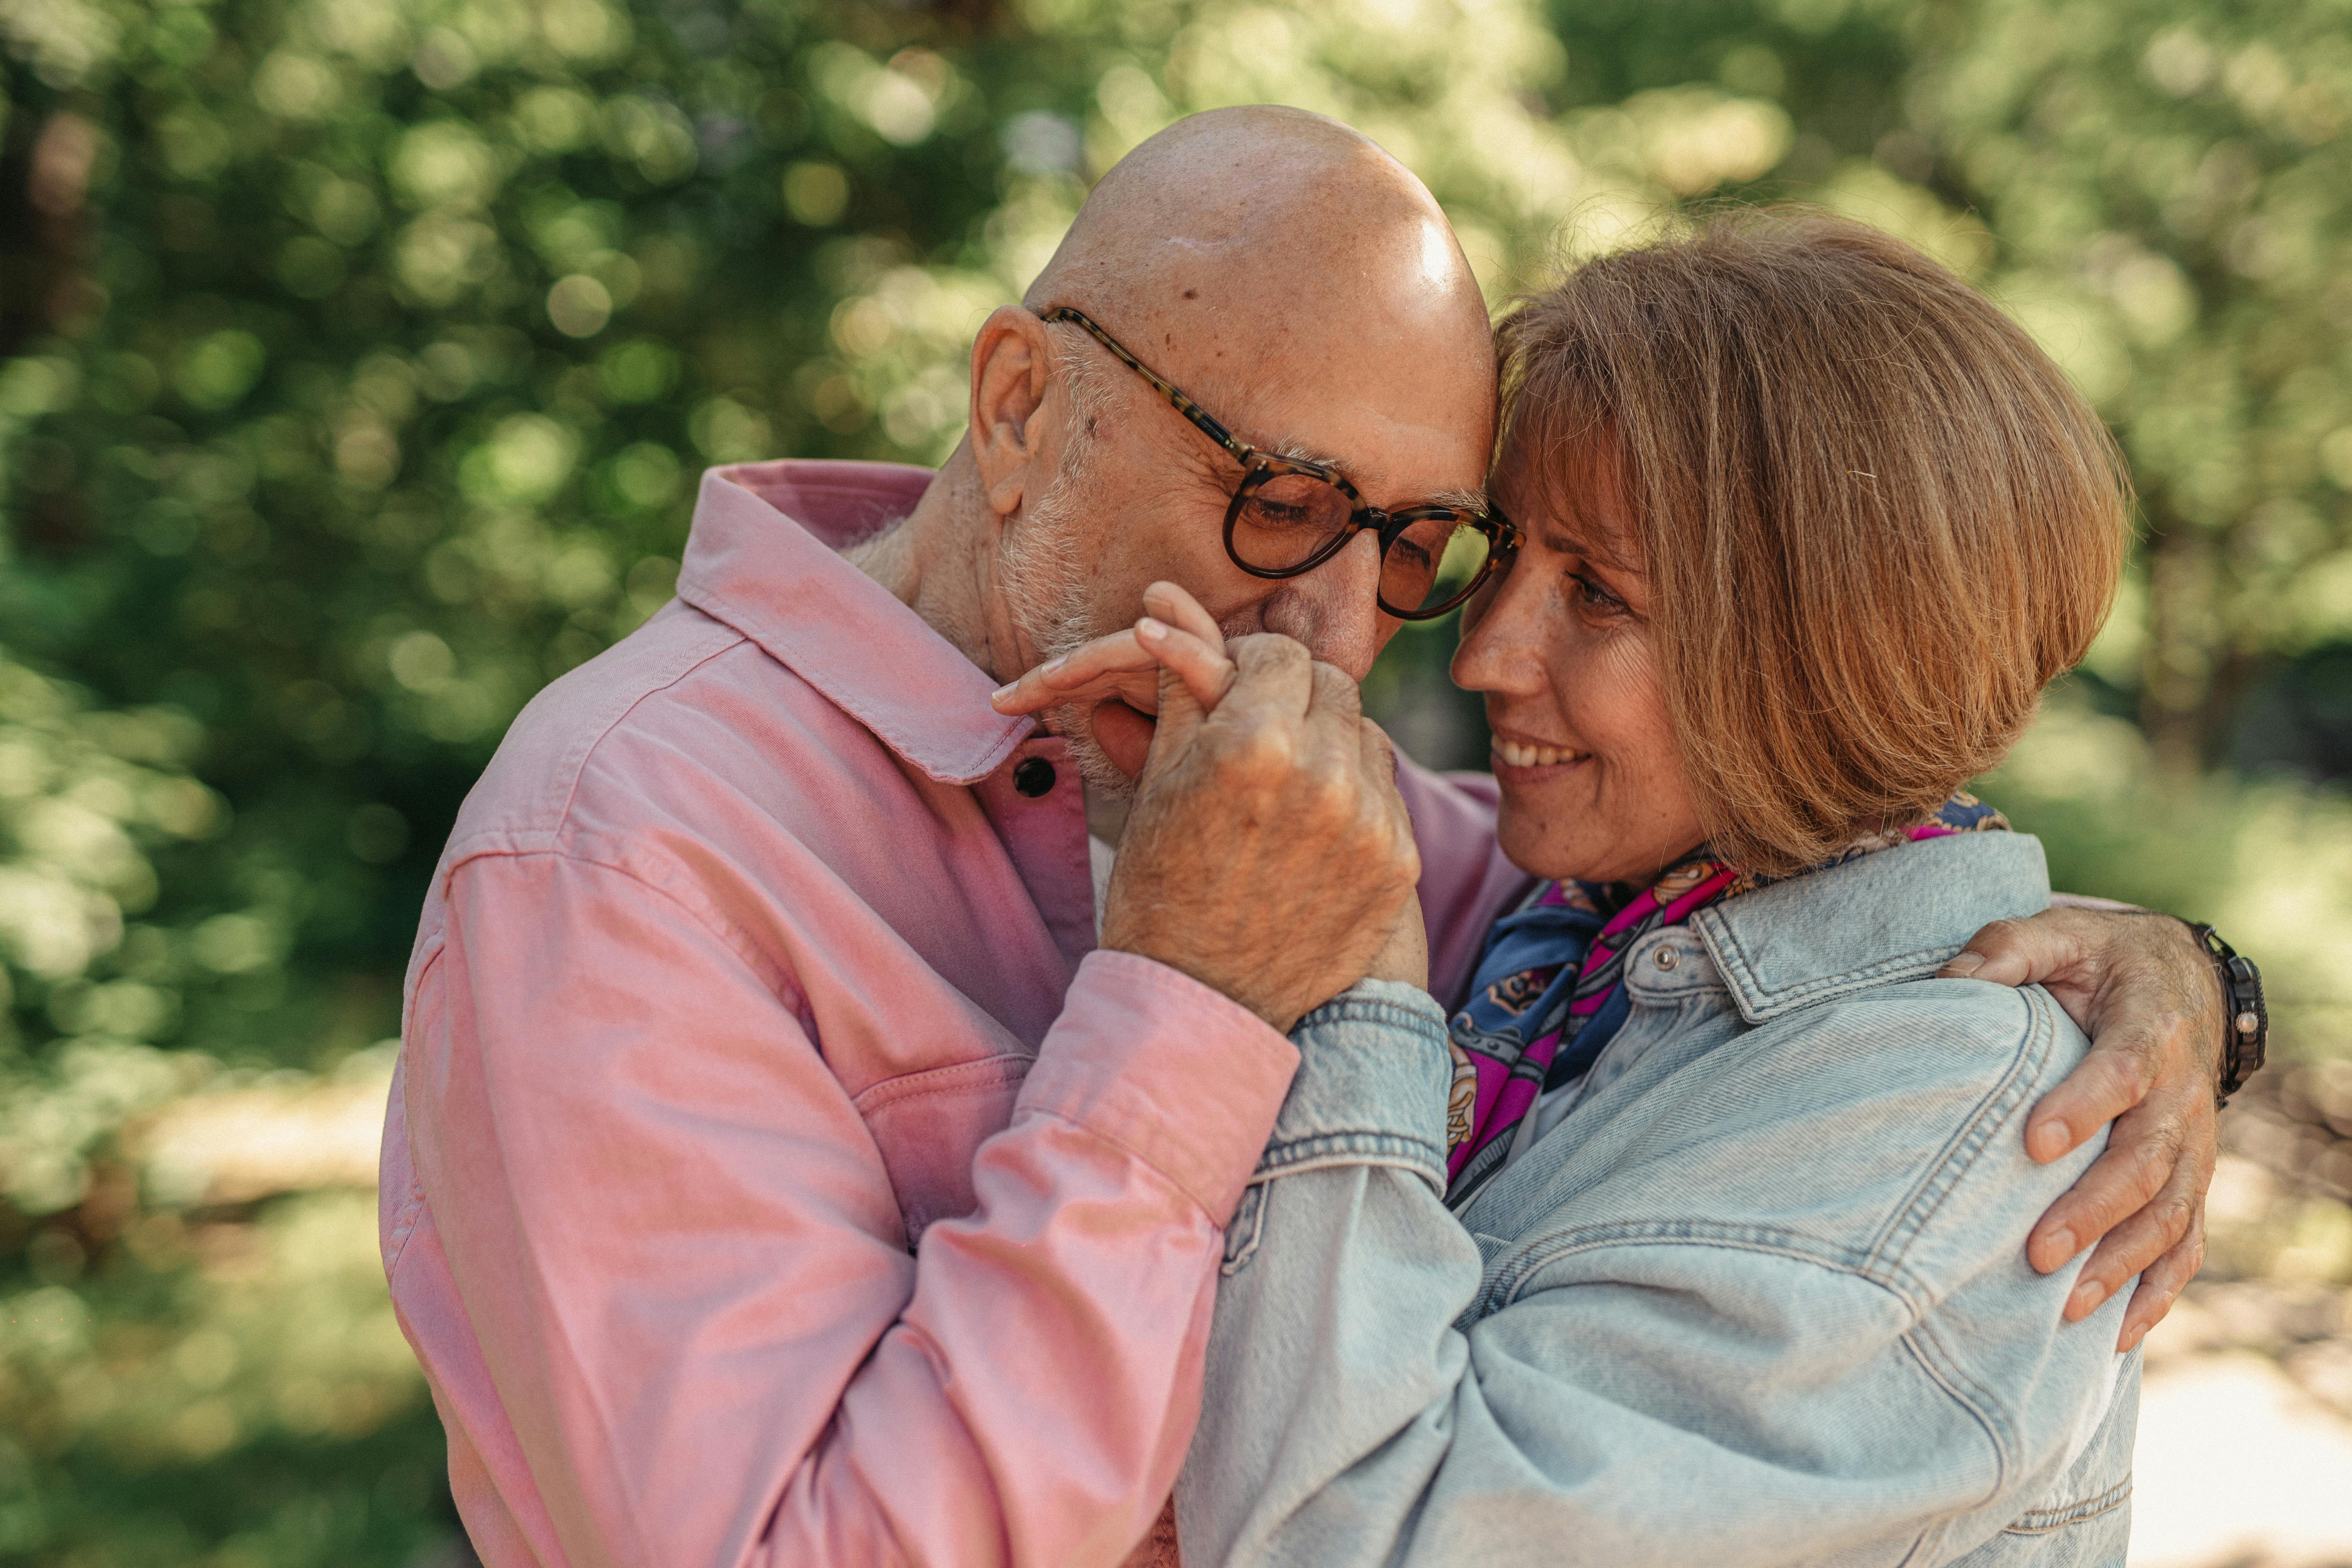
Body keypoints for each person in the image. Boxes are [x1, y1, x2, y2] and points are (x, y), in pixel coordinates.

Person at [383, 108, 2231, 1567]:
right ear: (1020, 405)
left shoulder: (1334, 820)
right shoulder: (621, 855)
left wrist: (2171, 975)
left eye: (1422, 543)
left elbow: (1762, 905)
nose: (1348, 634)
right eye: (1281, 505)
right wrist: (1186, 996)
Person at [1031, 211, 2179, 1563]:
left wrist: (1357, 992)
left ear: (1831, 655)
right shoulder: (1585, 937)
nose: (1482, 655)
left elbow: (1370, 1540)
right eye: (1503, 551)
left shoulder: (1950, 1126)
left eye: (1602, 595)